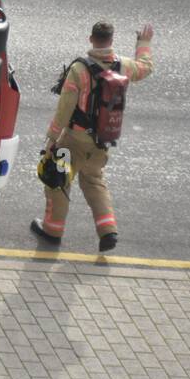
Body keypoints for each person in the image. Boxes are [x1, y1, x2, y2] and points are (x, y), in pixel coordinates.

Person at [32, 21, 155, 252]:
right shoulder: (123, 66)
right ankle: (108, 230)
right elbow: (145, 67)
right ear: (111, 40)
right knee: (94, 181)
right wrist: (144, 43)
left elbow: (65, 107)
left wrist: (52, 139)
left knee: (59, 181)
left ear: (91, 39)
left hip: (73, 139)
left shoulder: (79, 70)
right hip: (101, 141)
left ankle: (52, 229)